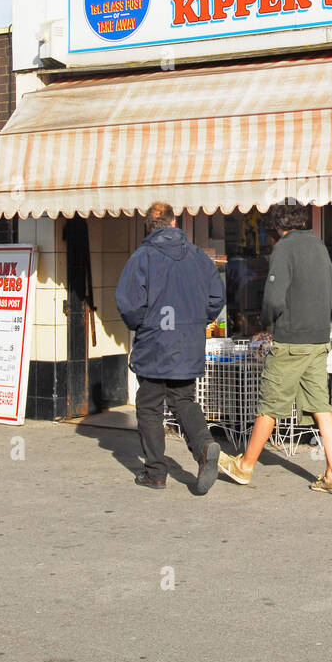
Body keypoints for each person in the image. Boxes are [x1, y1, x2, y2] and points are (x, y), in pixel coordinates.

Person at [219, 200, 332, 495]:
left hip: (291, 340)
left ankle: (245, 465)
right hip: (318, 339)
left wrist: (266, 322)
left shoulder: (284, 249)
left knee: (269, 406)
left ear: (278, 226)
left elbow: (274, 298)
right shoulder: (319, 245)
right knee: (321, 407)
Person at [116, 201, 225, 494]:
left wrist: (145, 323)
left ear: (149, 226)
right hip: (187, 343)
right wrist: (196, 321)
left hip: (154, 343)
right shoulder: (198, 257)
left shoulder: (142, 258)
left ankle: (155, 472)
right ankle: (204, 447)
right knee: (183, 400)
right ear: (174, 223)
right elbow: (216, 297)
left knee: (150, 405)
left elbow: (128, 305)